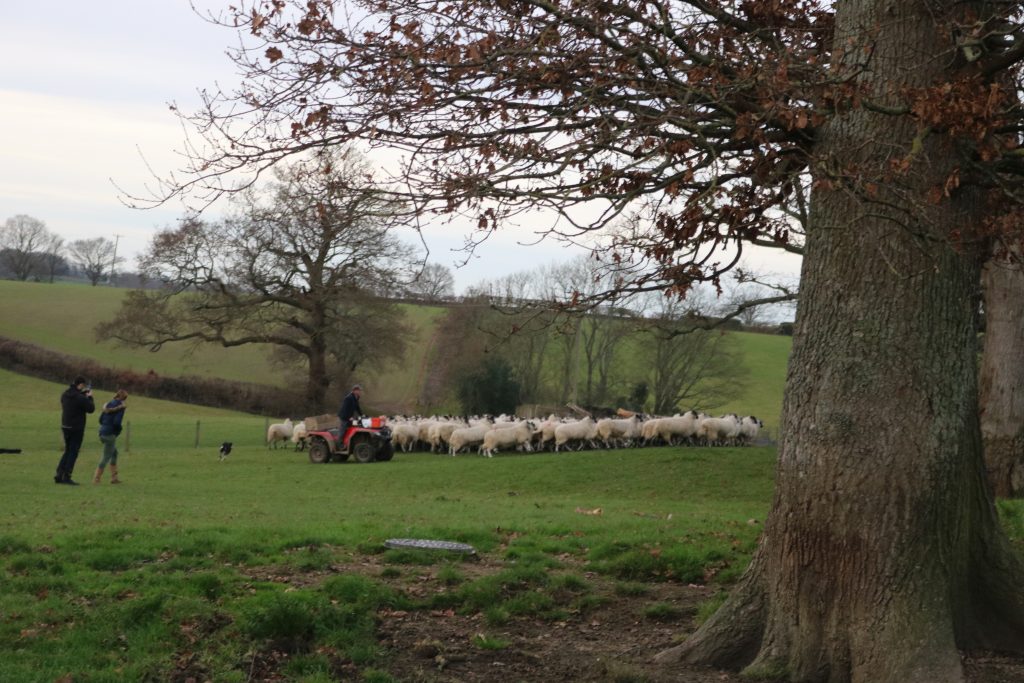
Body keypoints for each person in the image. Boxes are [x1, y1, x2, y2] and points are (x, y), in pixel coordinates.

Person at [55, 376, 95, 485]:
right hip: (76, 428)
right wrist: (90, 397)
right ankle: (67, 476)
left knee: (68, 450)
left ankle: (59, 473)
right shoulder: (80, 398)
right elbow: (91, 409)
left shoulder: (65, 394)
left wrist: (82, 395)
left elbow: (73, 401)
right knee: (73, 452)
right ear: (81, 385)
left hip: (65, 426)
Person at [94, 389, 128, 484]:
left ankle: (114, 478)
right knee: (106, 457)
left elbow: (100, 420)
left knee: (114, 453)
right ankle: (97, 478)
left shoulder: (108, 405)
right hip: (109, 435)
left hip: (102, 433)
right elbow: (117, 422)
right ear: (123, 399)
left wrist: (106, 425)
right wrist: (118, 429)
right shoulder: (121, 408)